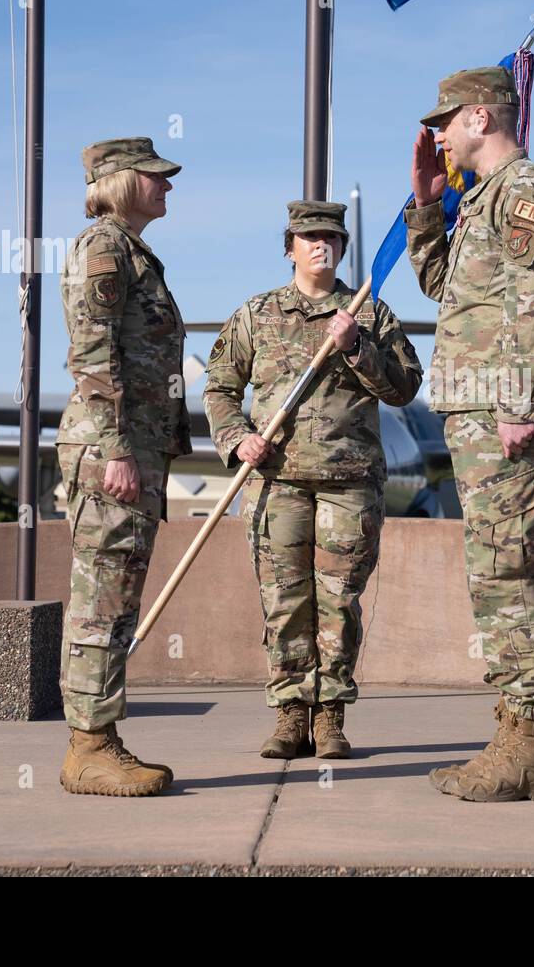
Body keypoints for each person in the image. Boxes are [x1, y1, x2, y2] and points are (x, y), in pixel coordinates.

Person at [404, 66, 534, 801]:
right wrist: (425, 205)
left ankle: (530, 746)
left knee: (514, 573)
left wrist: (514, 401)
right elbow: (441, 288)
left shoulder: (525, 189)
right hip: (478, 419)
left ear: (481, 116)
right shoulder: (478, 202)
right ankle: (514, 735)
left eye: (446, 120)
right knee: (498, 577)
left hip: (503, 417)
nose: (438, 134)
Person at [203, 200, 422, 760]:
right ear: (289, 248)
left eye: (331, 236)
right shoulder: (257, 314)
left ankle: (329, 717)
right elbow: (220, 387)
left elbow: (403, 388)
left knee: (338, 603)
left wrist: (356, 346)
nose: (320, 245)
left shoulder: (371, 314)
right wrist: (236, 439)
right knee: (284, 601)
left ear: (344, 248)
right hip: (277, 483)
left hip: (349, 484)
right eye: (308, 237)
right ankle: (289, 716)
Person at [56, 136, 191, 797]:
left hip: (133, 449)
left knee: (115, 600)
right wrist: (114, 448)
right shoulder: (103, 247)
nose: (167, 184)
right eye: (154, 176)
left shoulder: (133, 252)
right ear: (116, 182)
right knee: (100, 601)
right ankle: (88, 747)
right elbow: (92, 350)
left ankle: (100, 737)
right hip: (112, 452)